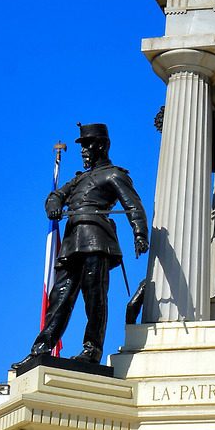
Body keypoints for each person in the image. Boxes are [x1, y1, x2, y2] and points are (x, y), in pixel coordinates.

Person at [23, 124, 148, 365]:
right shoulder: (78, 179)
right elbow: (55, 196)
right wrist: (53, 205)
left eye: (88, 145)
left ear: (102, 146)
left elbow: (133, 205)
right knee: (60, 297)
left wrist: (140, 233)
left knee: (94, 297)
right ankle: (41, 349)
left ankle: (92, 350)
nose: (84, 150)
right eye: (82, 146)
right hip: (71, 243)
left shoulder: (114, 174)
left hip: (96, 240)